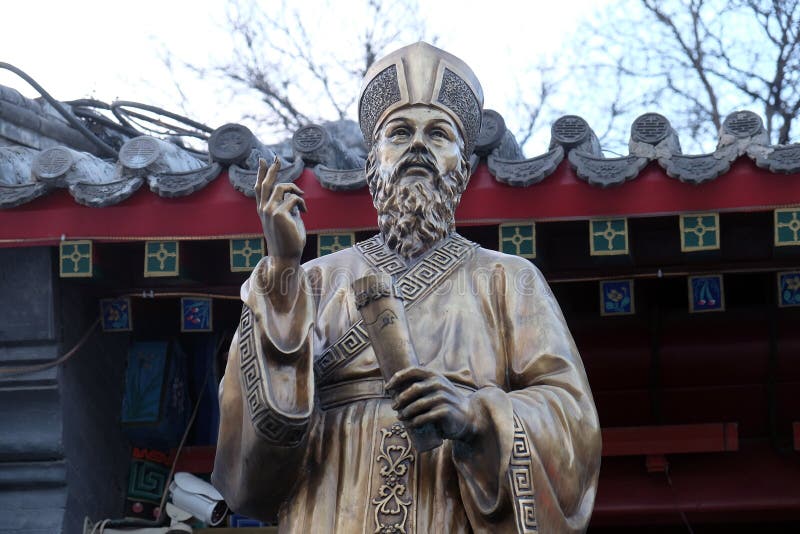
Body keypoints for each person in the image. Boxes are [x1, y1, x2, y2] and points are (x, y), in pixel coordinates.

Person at [213, 42, 601, 533]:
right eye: (399, 132)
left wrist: (476, 416)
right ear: (373, 161)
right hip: (330, 505)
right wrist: (284, 268)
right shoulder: (313, 279)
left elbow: (574, 423)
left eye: (438, 134)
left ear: (462, 163)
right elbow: (254, 451)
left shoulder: (509, 279)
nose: (418, 145)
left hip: (448, 505)